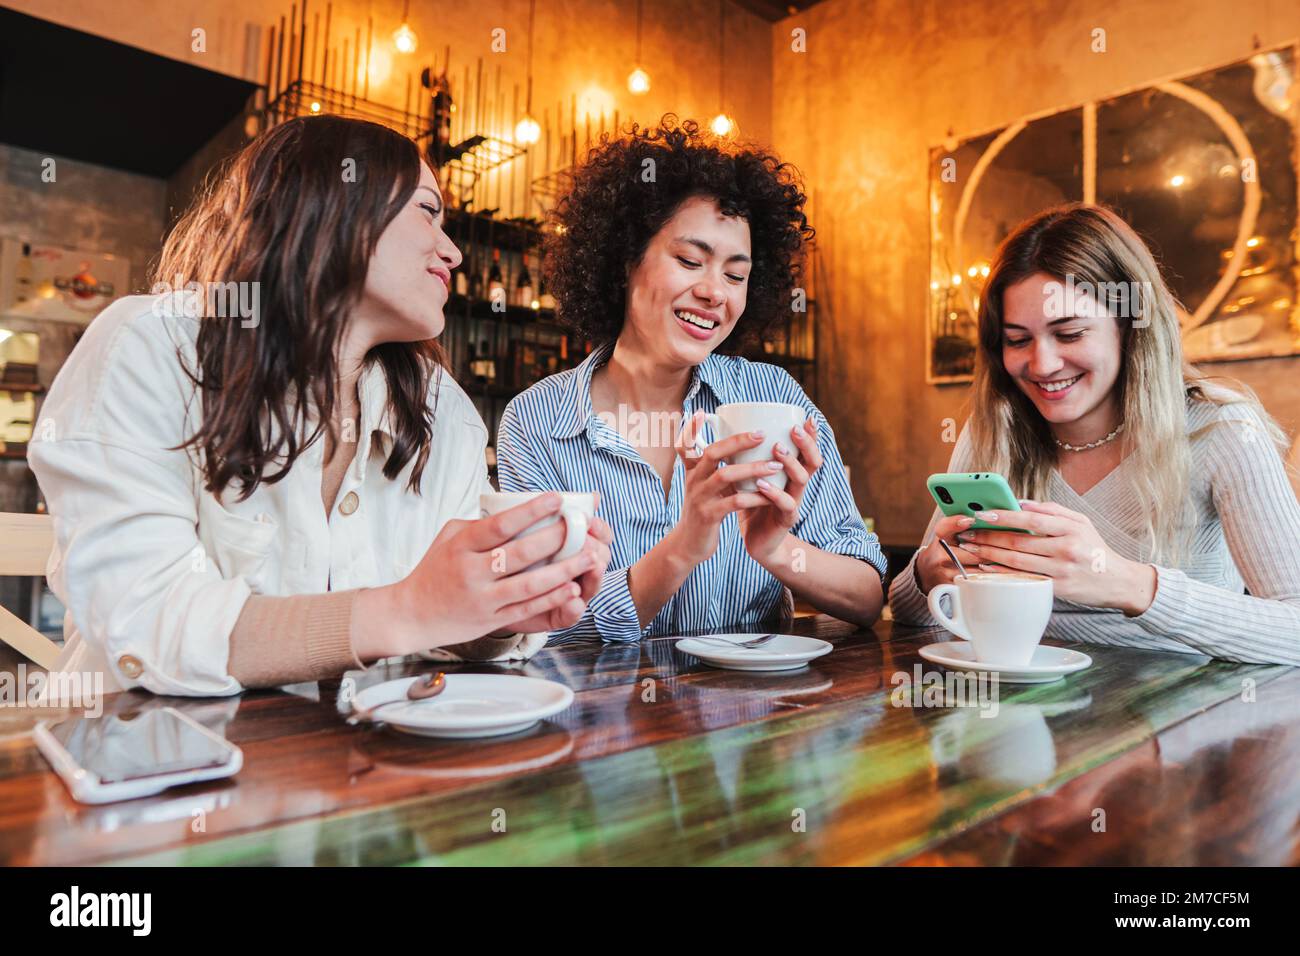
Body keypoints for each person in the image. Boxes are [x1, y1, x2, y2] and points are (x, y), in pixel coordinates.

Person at [28, 116, 611, 696]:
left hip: (354, 765)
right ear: (332, 201)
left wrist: (501, 608)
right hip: (137, 763)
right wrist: (406, 609)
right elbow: (150, 621)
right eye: (428, 213)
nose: (454, 252)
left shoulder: (443, 409)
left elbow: (440, 627)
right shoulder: (152, 344)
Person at [497, 118, 886, 643]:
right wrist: (683, 547)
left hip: (753, 716)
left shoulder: (774, 402)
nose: (714, 293)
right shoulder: (536, 420)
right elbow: (537, 627)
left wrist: (774, 549)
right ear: (624, 261)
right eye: (689, 260)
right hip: (606, 721)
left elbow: (866, 596)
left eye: (735, 275)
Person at [889, 203, 1300, 664]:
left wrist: (1129, 585)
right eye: (1018, 340)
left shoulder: (1221, 431)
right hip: (1024, 710)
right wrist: (927, 573)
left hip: (1176, 716)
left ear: (1130, 328)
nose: (1042, 365)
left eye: (1070, 334)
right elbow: (913, 619)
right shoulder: (993, 432)